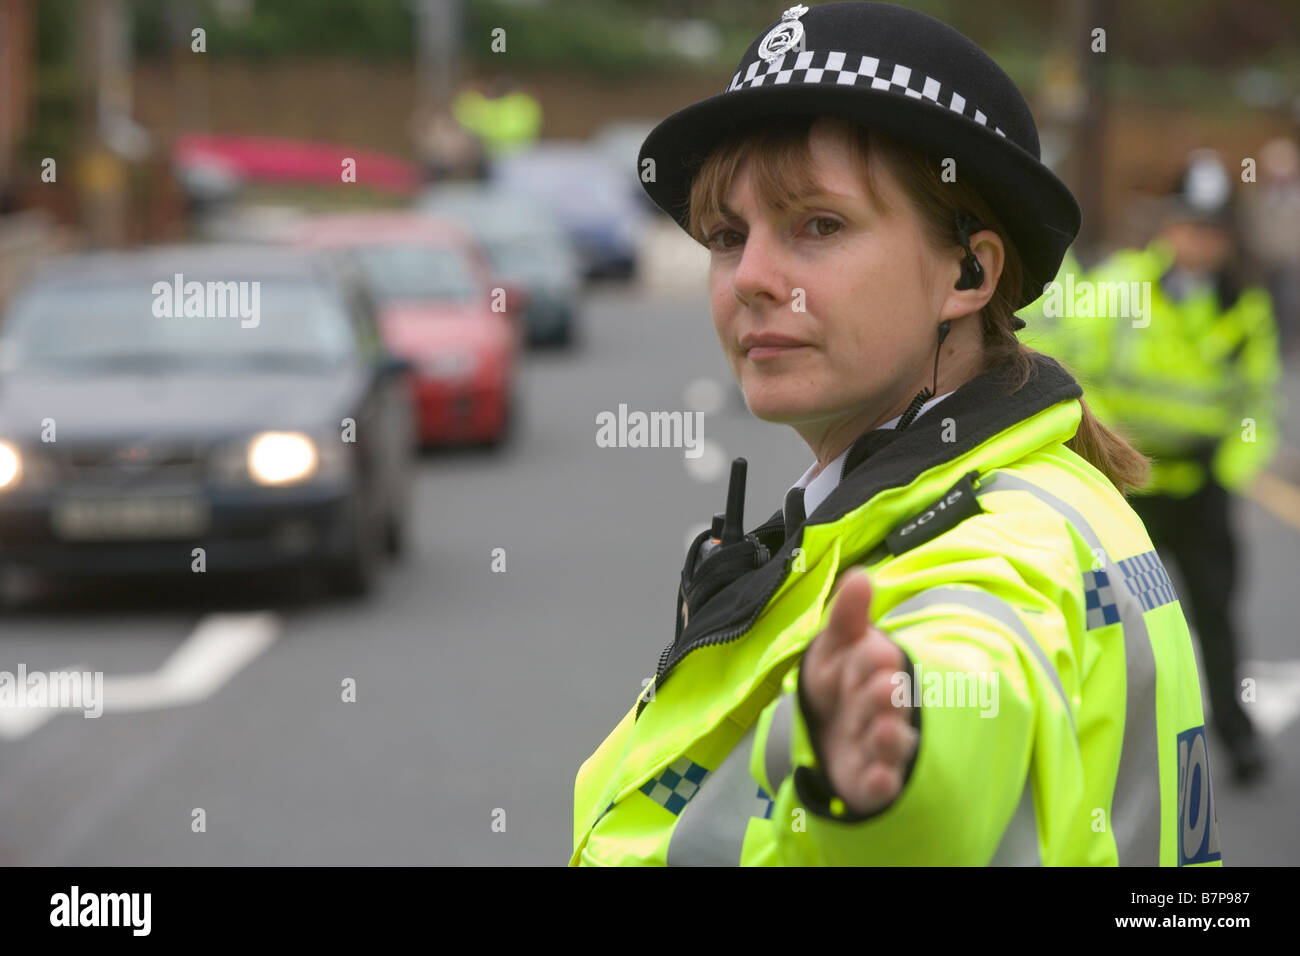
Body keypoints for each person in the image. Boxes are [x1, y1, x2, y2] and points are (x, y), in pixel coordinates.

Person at [571, 2, 1224, 867]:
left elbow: (974, 649)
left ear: (968, 271)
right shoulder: (1036, 489)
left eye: (819, 225)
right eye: (728, 236)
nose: (753, 278)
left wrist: (891, 752)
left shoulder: (1002, 543)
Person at [1046, 149, 1281, 784]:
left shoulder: (1243, 305)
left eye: (1212, 230)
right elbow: (1071, 359)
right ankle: (1095, 745)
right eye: (1188, 225)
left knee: (1215, 616)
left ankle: (1237, 736)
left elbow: (1257, 402)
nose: (1198, 242)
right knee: (1113, 617)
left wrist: (1231, 471)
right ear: (1166, 226)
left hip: (1202, 492)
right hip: (1130, 491)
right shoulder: (1120, 284)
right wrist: (1100, 453)